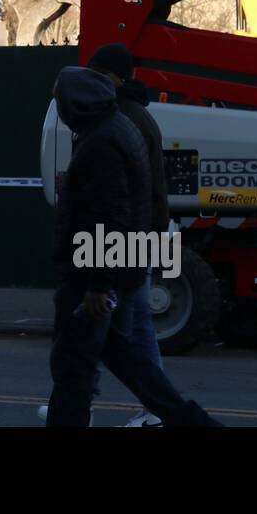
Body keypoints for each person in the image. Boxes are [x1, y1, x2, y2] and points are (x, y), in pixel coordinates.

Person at [44, 65, 219, 427]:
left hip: (93, 275)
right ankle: (193, 422)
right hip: (120, 266)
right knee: (127, 360)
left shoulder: (100, 143)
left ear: (75, 103)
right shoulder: (120, 126)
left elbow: (109, 217)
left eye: (59, 100)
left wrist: (98, 285)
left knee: (73, 366)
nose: (58, 110)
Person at [87, 43, 168, 426]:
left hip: (125, 239)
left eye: (98, 72)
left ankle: (76, 402)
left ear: (114, 78)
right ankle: (156, 409)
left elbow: (115, 193)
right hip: (141, 235)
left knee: (98, 323)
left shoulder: (119, 119)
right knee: (136, 327)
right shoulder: (139, 116)